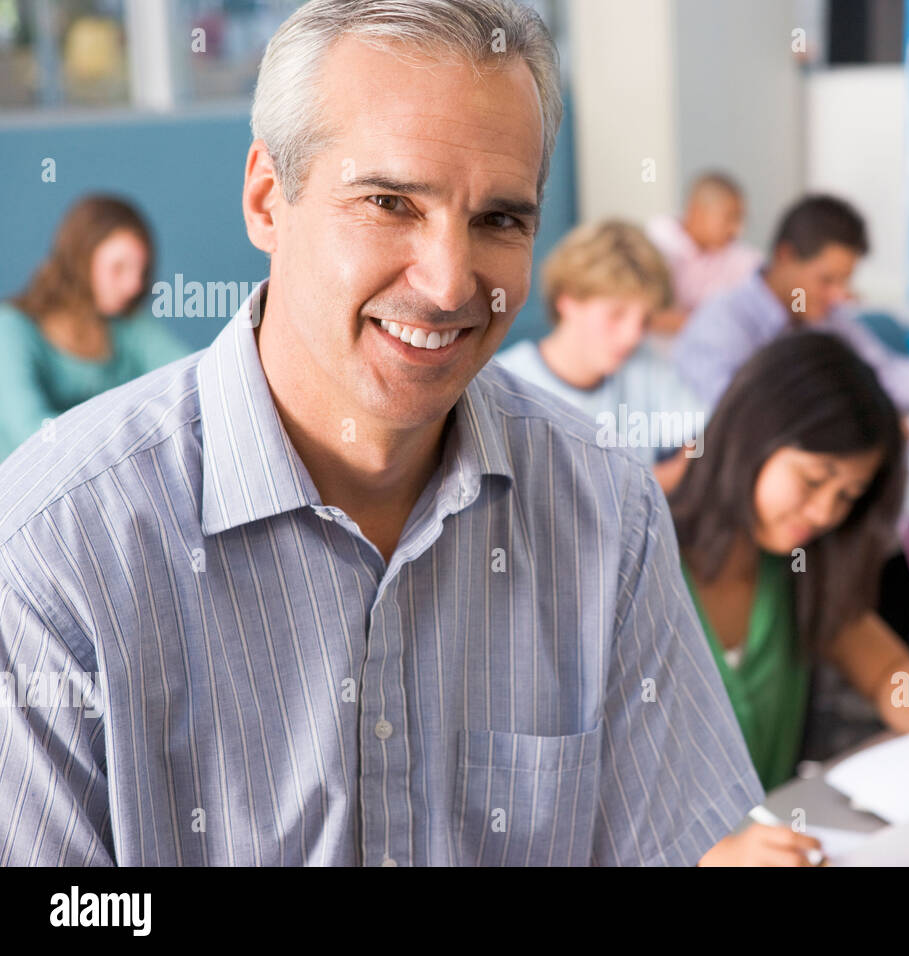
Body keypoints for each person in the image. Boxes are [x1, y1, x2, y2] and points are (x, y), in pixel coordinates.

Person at [0, 0, 763, 867]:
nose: (447, 284)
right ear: (266, 201)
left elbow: (690, 851)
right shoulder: (52, 552)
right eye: (391, 202)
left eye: (498, 221)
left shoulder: (606, 513)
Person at [680, 333, 909, 866]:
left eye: (848, 497)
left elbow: (886, 673)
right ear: (751, 438)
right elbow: (593, 784)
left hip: (777, 844)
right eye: (813, 480)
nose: (825, 512)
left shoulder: (797, 564)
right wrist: (712, 855)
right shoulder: (638, 554)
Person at [673, 194, 909, 414]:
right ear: (786, 256)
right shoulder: (723, 321)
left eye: (844, 282)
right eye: (827, 280)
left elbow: (880, 371)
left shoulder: (826, 319)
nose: (838, 295)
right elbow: (735, 412)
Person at [495, 220, 704, 491]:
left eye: (645, 319)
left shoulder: (645, 365)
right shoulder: (504, 385)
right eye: (616, 314)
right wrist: (652, 484)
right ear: (567, 300)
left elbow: (702, 435)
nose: (633, 335)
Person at [0, 195, 191, 461]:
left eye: (141, 271)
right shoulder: (12, 328)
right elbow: (32, 433)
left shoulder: (128, 327)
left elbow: (191, 375)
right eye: (118, 268)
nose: (134, 285)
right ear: (80, 261)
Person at [644, 171, 762, 335]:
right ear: (697, 212)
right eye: (730, 218)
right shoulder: (654, 245)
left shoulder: (737, 256)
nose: (737, 230)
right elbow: (649, 316)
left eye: (740, 219)